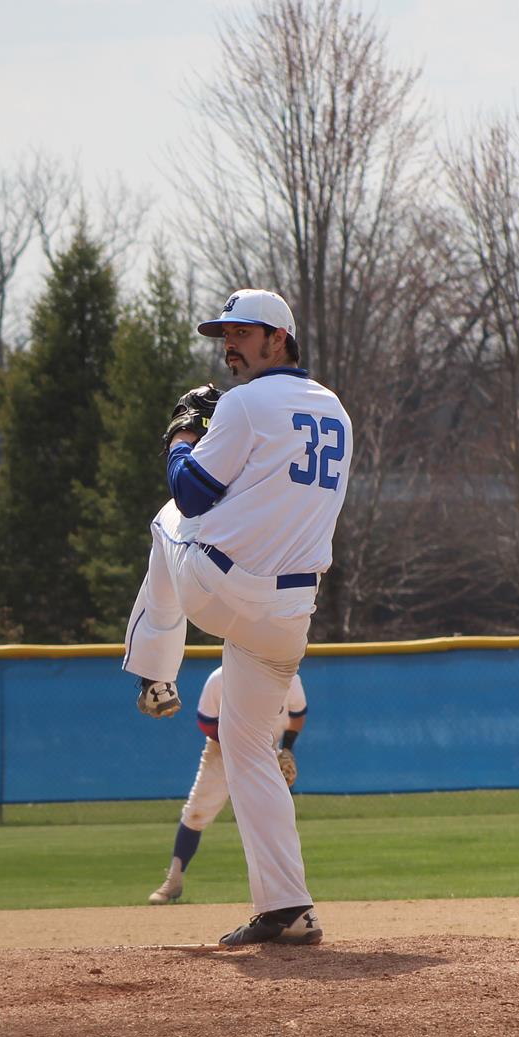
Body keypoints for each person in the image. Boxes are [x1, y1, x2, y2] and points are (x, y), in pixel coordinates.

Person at [122, 287, 351, 948]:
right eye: (224, 334)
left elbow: (189, 488)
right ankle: (287, 907)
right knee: (249, 746)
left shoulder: (247, 403)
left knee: (169, 523)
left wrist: (183, 432)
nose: (229, 344)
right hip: (289, 612)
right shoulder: (333, 408)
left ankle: (155, 675)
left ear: (279, 338)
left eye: (243, 332)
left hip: (226, 589)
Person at [147, 665, 308, 906]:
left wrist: (288, 749)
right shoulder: (220, 678)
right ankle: (174, 880)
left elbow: (298, 714)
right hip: (222, 751)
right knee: (197, 812)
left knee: (273, 820)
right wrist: (240, 743)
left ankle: (283, 893)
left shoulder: (287, 677)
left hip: (266, 753)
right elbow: (206, 722)